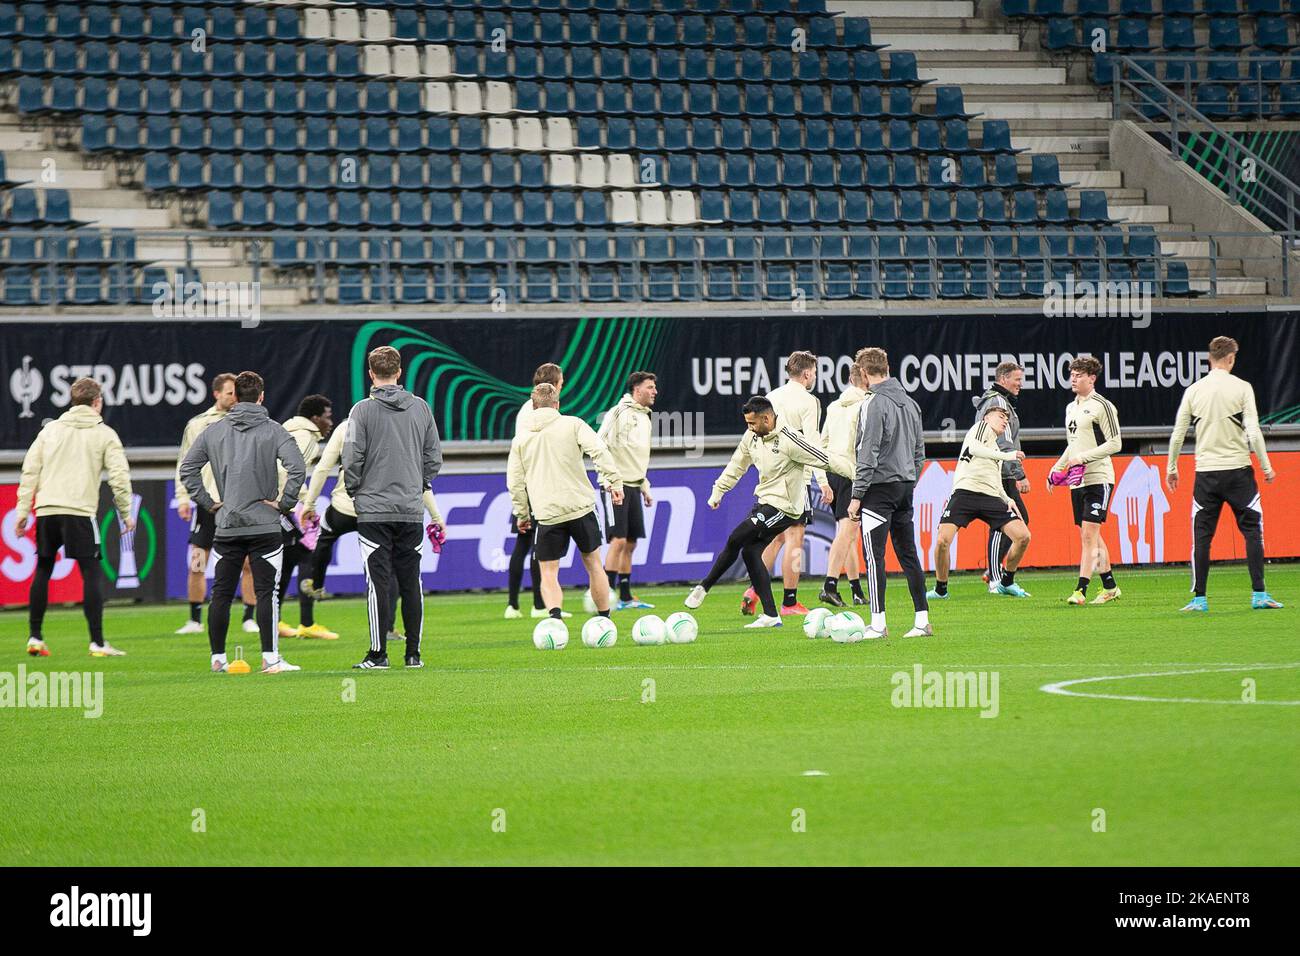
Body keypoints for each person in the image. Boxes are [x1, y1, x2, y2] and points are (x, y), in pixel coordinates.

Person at [686, 396, 853, 629]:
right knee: (750, 553)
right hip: (765, 501)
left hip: (786, 508)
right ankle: (772, 615)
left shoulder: (791, 440)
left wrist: (858, 475)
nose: (750, 428)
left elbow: (824, 459)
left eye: (753, 423)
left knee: (736, 538)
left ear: (767, 418)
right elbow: (736, 466)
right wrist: (718, 491)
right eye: (747, 424)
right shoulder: (752, 437)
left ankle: (703, 587)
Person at [179, 371, 306, 674]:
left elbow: (188, 470)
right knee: (267, 592)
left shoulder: (213, 431)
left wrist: (209, 503)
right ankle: (271, 658)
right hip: (265, 525)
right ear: (262, 396)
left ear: (234, 396)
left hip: (227, 524)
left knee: (221, 593)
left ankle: (217, 659)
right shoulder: (275, 431)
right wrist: (284, 503)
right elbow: (297, 468)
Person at [16, 376, 134, 658]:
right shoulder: (104, 433)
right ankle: (97, 642)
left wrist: (22, 511)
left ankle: (35, 637)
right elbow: (119, 477)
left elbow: (29, 471)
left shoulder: (50, 430)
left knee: (43, 569)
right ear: (97, 402)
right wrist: (126, 512)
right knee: (91, 572)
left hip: (46, 509)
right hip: (79, 511)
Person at [301, 415, 446, 642]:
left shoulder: (347, 425)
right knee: (389, 570)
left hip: (345, 507)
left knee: (325, 537)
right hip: (381, 511)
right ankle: (387, 628)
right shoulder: (401, 428)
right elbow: (418, 477)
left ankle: (317, 584)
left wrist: (309, 504)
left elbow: (322, 468)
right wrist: (436, 515)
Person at [1166, 336, 1282, 611]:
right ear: (1231, 358)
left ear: (1210, 358)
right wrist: (1266, 466)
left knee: (1202, 536)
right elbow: (1253, 430)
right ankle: (1259, 594)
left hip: (1206, 474)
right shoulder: (1242, 388)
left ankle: (1199, 598)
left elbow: (1178, 433)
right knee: (1253, 531)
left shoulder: (1195, 390)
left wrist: (1172, 467)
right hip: (1239, 472)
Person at [344, 346, 442, 670]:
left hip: (373, 510)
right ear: (399, 372)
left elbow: (351, 457)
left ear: (371, 374)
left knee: (378, 583)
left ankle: (378, 654)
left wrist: (356, 491)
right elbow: (434, 459)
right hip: (410, 510)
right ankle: (413, 654)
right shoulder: (421, 409)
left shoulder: (361, 411)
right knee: (411, 581)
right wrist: (417, 485)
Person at [507, 383, 622, 620]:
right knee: (594, 565)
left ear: (534, 406)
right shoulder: (573, 424)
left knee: (548, 573)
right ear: (557, 404)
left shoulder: (521, 439)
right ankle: (604, 620)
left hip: (548, 514)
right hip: (580, 507)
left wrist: (522, 513)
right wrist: (614, 481)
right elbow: (599, 450)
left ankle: (555, 622)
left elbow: (515, 482)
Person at [846, 347, 931, 639]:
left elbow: (867, 452)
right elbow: (920, 452)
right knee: (909, 554)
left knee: (874, 556)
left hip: (879, 489)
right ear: (887, 368)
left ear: (864, 374)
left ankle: (878, 624)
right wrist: (909, 478)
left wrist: (856, 495)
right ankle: (922, 621)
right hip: (905, 486)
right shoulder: (911, 403)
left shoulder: (873, 404)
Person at [743, 351, 832, 617]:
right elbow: (813, 444)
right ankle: (790, 602)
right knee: (795, 535)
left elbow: (754, 436)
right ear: (806, 374)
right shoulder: (809, 401)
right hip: (795, 478)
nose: (814, 377)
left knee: (777, 536)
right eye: (814, 372)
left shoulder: (771, 397)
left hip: (770, 478)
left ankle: (754, 590)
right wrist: (823, 480)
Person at [173, 372, 259, 636]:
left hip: (240, 502)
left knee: (247, 563)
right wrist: (183, 497)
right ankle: (194, 619)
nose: (234, 397)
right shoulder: (199, 424)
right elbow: (184, 463)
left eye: (236, 392)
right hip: (209, 502)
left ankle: (249, 617)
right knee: (198, 561)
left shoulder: (248, 421)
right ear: (217, 394)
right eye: (229, 392)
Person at [927, 401, 1033, 600]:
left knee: (1023, 536)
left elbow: (994, 479)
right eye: (1000, 416)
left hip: (991, 496)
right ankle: (941, 589)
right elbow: (974, 448)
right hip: (965, 492)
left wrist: (1006, 498)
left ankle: (1007, 582)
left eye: (1007, 418)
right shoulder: (980, 428)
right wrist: (1008, 455)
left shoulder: (995, 448)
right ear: (986, 418)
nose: (1005, 420)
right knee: (942, 540)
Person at [1049, 356, 1122, 606]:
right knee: (1091, 535)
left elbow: (1115, 443)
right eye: (1072, 374)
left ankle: (1081, 590)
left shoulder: (1103, 406)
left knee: (1088, 536)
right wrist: (1057, 469)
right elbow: (1073, 446)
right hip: (1077, 480)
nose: (1074, 378)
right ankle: (1110, 587)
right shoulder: (1071, 408)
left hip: (1099, 477)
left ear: (1092, 378)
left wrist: (1083, 457)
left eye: (1079, 374)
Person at [273, 394, 339, 641]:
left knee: (290, 560)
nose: (330, 422)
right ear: (314, 418)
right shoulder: (304, 437)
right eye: (327, 417)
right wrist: (301, 500)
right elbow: (285, 470)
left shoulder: (292, 431)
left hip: (280, 506)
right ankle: (306, 623)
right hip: (285, 507)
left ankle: (275, 620)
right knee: (307, 557)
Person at [505, 363, 562, 620]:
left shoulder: (525, 410)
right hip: (536, 484)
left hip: (526, 483)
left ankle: (513, 605)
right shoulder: (542, 412)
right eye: (561, 382)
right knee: (538, 544)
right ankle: (540, 604)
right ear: (553, 385)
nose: (563, 386)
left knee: (523, 543)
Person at [598, 371, 657, 610]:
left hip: (634, 485)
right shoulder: (618, 412)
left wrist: (644, 487)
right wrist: (611, 481)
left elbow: (636, 457)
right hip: (616, 487)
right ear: (636, 389)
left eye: (655, 387)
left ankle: (624, 596)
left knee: (630, 543)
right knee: (619, 541)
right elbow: (599, 444)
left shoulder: (645, 417)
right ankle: (605, 595)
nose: (655, 391)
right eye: (650, 387)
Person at [974, 361, 1030, 594]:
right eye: (1017, 379)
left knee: (1014, 519)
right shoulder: (998, 403)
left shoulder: (997, 400)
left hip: (998, 470)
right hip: (998, 472)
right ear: (1004, 378)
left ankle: (993, 571)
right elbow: (1002, 441)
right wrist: (1019, 473)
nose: (1020, 384)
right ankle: (995, 577)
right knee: (1005, 521)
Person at [818, 363, 870, 608]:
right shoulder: (866, 405)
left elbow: (822, 443)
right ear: (866, 379)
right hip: (852, 473)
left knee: (847, 534)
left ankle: (856, 589)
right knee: (847, 534)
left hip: (832, 473)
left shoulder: (833, 406)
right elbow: (864, 445)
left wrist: (822, 479)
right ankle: (829, 585)